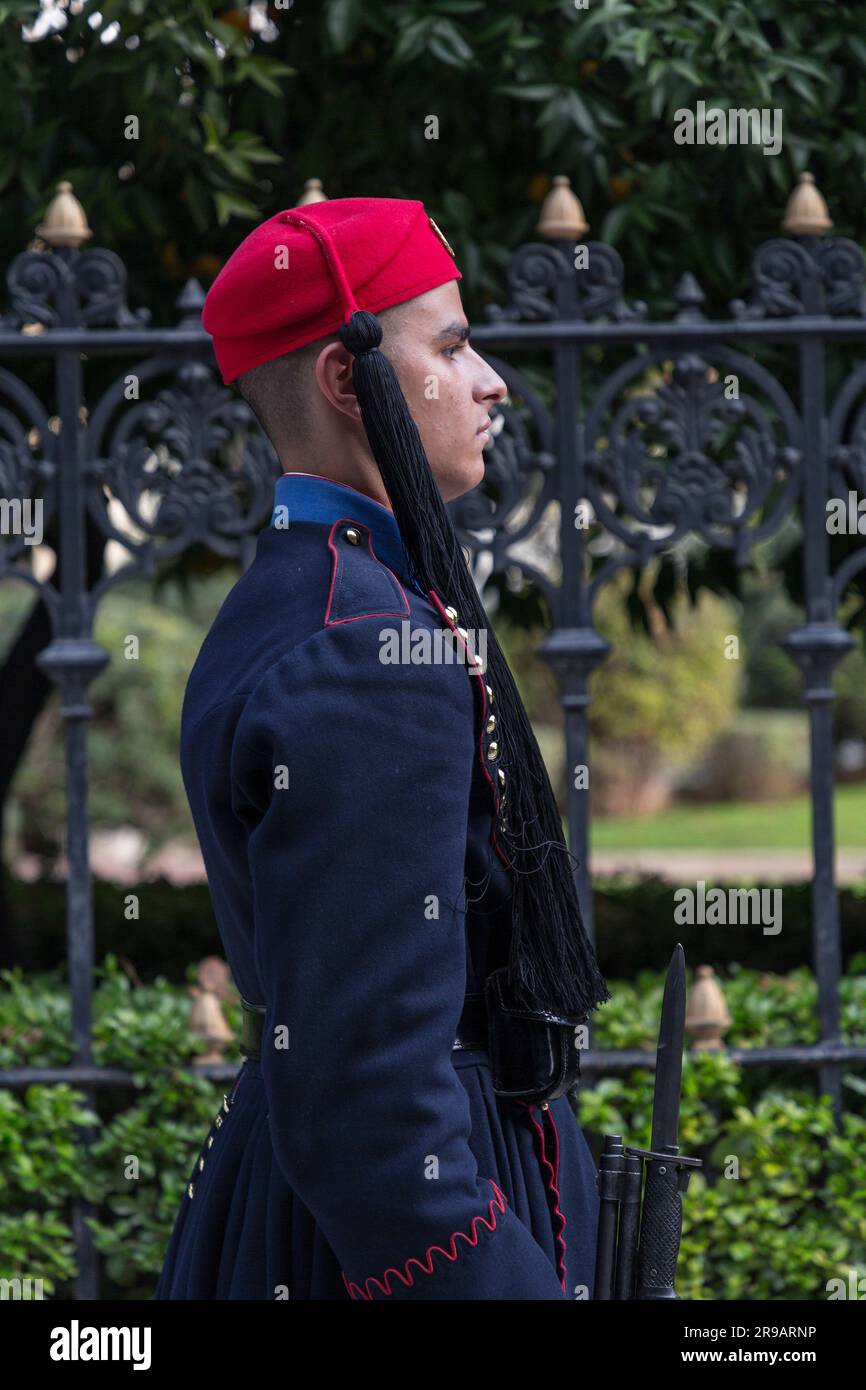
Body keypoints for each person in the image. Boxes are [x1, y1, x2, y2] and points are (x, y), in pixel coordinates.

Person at [155, 195, 610, 1301]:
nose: (491, 380)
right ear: (347, 380)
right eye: (451, 345)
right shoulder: (367, 644)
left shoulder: (316, 596)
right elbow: (366, 1099)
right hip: (405, 1239)